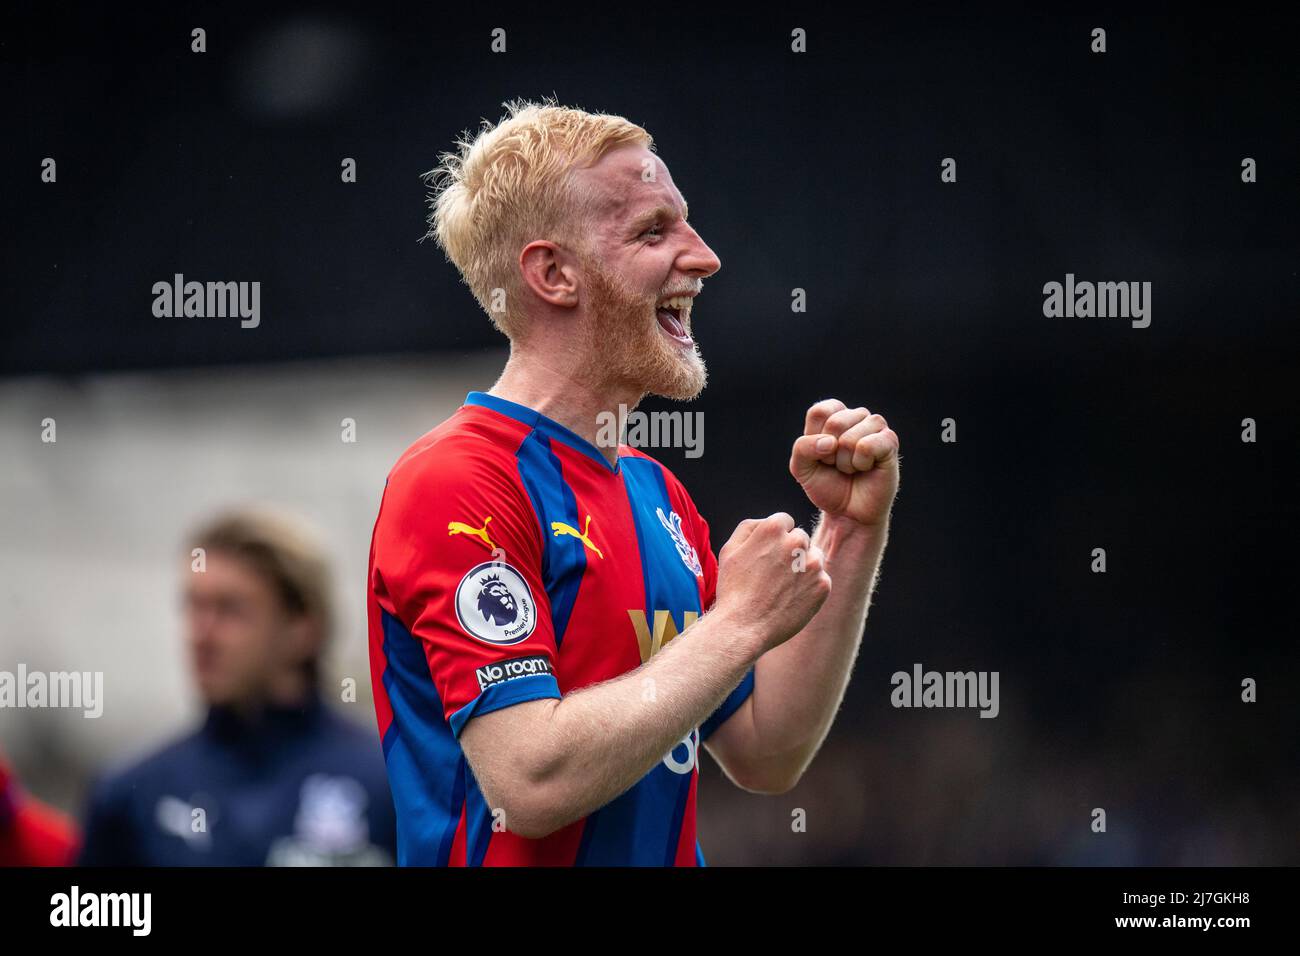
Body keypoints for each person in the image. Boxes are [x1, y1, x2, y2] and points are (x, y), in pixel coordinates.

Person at [367, 98, 900, 865]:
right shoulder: (457, 481)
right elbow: (527, 782)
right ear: (554, 274)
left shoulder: (656, 492)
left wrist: (849, 533)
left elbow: (765, 750)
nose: (706, 256)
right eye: (654, 231)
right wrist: (739, 623)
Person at [80, 508, 395, 865]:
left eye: (230, 609)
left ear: (302, 628)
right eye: (194, 607)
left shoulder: (388, 785)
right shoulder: (132, 794)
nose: (202, 634)